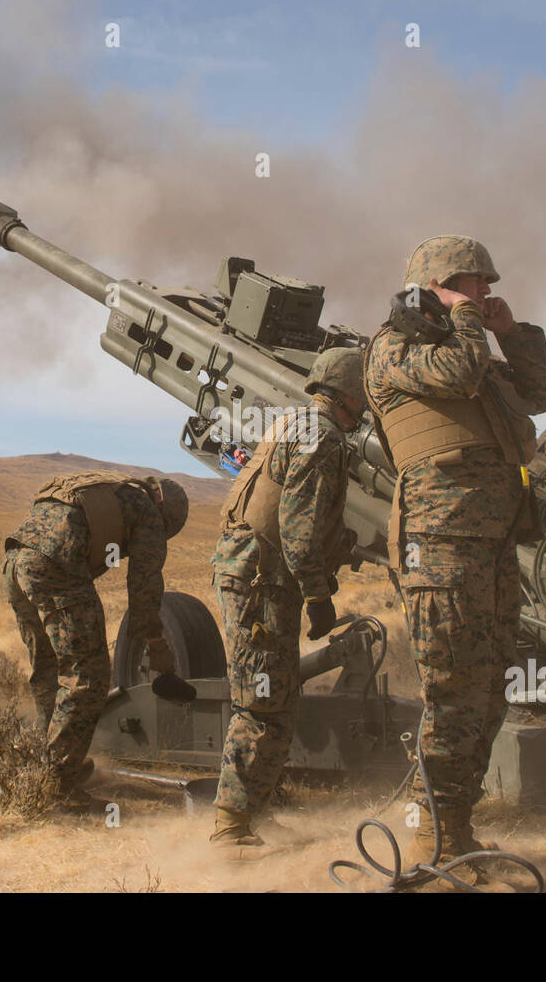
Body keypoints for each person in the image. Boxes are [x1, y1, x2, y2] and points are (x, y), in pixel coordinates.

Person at [363, 235, 546, 885]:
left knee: (489, 692)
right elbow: (457, 375)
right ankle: (432, 841)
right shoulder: (394, 347)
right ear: (438, 285)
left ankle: (456, 830)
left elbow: (540, 394)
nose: (486, 291)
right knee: (452, 695)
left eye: (487, 284)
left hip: (493, 545)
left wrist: (514, 333)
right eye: (474, 282)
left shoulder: (473, 346)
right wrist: (469, 320)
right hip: (441, 543)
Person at [208, 347, 365, 855]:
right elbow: (298, 530)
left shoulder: (293, 423)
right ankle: (230, 830)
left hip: (254, 576)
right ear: (349, 393)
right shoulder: (323, 438)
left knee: (276, 699)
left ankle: (253, 811)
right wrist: (318, 596)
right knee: (263, 704)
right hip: (262, 584)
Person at [3, 471, 189, 811]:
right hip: (55, 566)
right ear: (165, 512)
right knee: (87, 676)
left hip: (15, 562)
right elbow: (144, 586)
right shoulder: (149, 511)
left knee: (49, 670)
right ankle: (57, 786)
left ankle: (52, 766)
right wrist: (157, 645)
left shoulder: (115, 488)